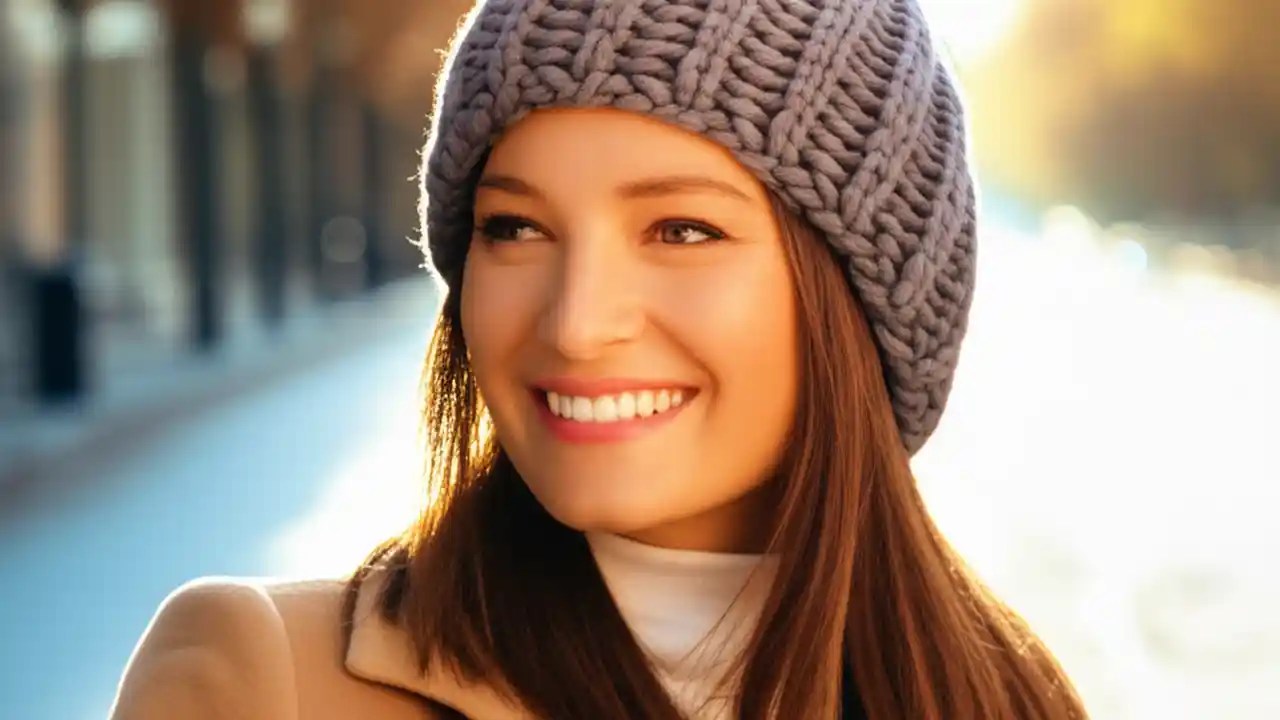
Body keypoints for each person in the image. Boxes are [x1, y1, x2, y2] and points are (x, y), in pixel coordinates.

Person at [111, 1, 1087, 718]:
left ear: (860, 300)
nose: (576, 323)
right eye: (513, 227)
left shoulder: (1011, 701)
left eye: (680, 229)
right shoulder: (264, 681)